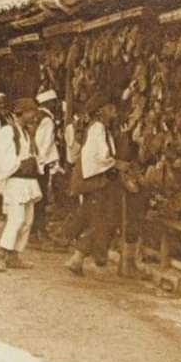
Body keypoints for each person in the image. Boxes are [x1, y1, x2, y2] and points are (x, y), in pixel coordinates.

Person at [65, 93, 130, 276]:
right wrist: (117, 164)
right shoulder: (98, 129)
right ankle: (77, 257)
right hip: (95, 182)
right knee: (100, 220)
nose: (115, 113)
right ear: (102, 111)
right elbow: (101, 157)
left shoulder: (102, 129)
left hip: (96, 181)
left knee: (97, 220)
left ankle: (84, 258)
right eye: (112, 109)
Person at [0, 97, 43, 272]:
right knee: (16, 220)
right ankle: (1, 255)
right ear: (21, 113)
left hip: (29, 182)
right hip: (16, 181)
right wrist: (14, 165)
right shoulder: (8, 132)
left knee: (27, 222)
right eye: (31, 112)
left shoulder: (25, 132)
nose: (34, 116)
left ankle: (14, 255)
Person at [30, 90, 62, 249]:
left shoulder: (34, 116)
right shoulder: (47, 119)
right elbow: (44, 143)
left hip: (33, 163)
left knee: (36, 199)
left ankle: (34, 231)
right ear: (50, 103)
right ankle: (38, 232)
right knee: (40, 199)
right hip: (40, 164)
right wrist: (41, 164)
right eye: (54, 102)